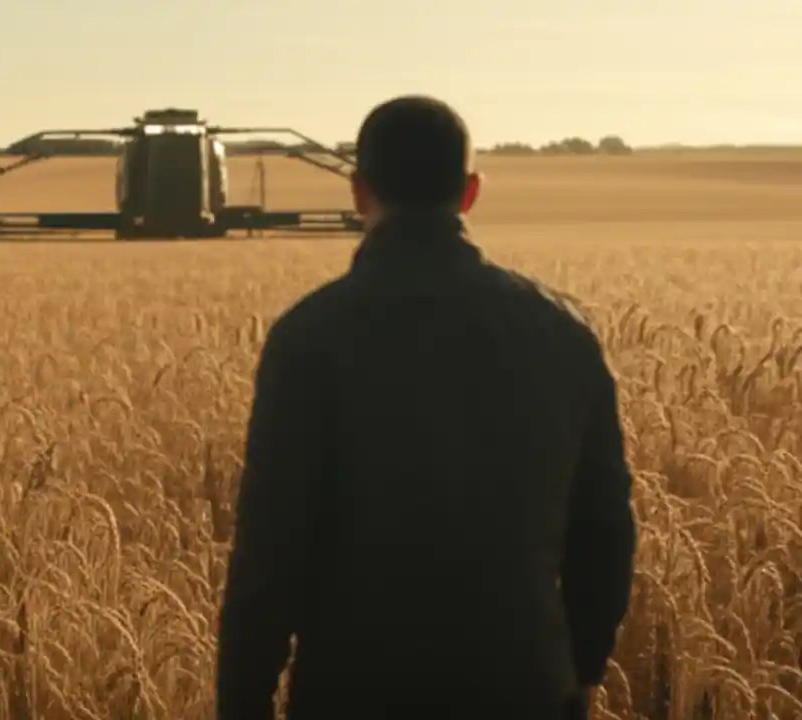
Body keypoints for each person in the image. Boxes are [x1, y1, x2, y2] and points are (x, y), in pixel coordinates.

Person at [215, 96, 637, 720]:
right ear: (470, 193)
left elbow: (270, 554)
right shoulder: (562, 331)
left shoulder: (309, 337)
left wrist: (243, 703)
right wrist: (579, 674)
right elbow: (605, 532)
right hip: (524, 688)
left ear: (359, 192)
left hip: (354, 692)